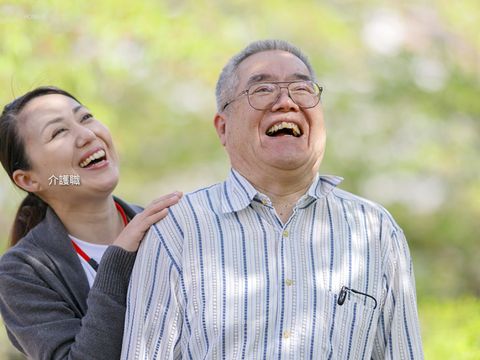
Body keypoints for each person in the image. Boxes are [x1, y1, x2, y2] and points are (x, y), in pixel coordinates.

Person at [121, 40, 424, 359]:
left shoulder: (375, 230)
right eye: (263, 89)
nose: (286, 102)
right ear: (223, 129)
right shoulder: (177, 229)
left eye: (301, 88)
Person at [0, 86, 181, 359]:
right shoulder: (21, 272)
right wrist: (117, 261)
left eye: (85, 118)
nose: (86, 135)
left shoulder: (172, 230)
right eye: (58, 132)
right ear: (28, 180)